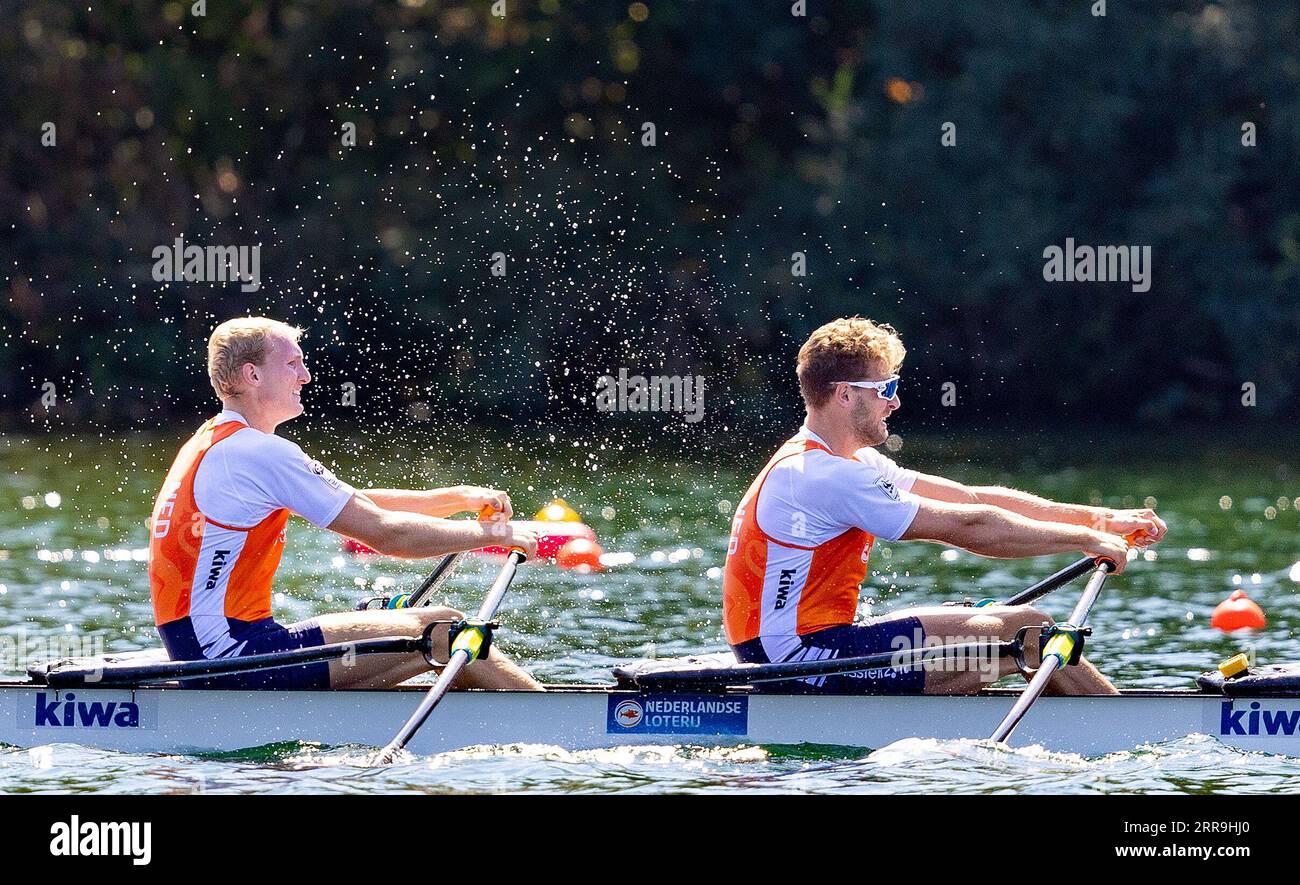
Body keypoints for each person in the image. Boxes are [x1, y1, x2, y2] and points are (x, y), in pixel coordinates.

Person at [722, 317, 1167, 695]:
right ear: (844, 394)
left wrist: (1098, 518)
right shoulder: (825, 475)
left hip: (796, 647)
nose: (895, 402)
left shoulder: (846, 461)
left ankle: (1089, 721)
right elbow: (969, 527)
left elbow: (972, 498)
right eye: (885, 388)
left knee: (988, 619)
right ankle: (1135, 738)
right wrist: (1086, 540)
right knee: (1028, 631)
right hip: (795, 660)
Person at [148, 316, 542, 691]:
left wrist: (455, 499)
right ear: (253, 375)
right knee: (445, 630)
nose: (305, 376)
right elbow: (390, 536)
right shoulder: (257, 452)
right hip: (231, 655)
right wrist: (496, 534)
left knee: (402, 623)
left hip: (211, 651)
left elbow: (358, 504)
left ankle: (507, 711)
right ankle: (567, 729)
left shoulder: (215, 441)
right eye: (292, 364)